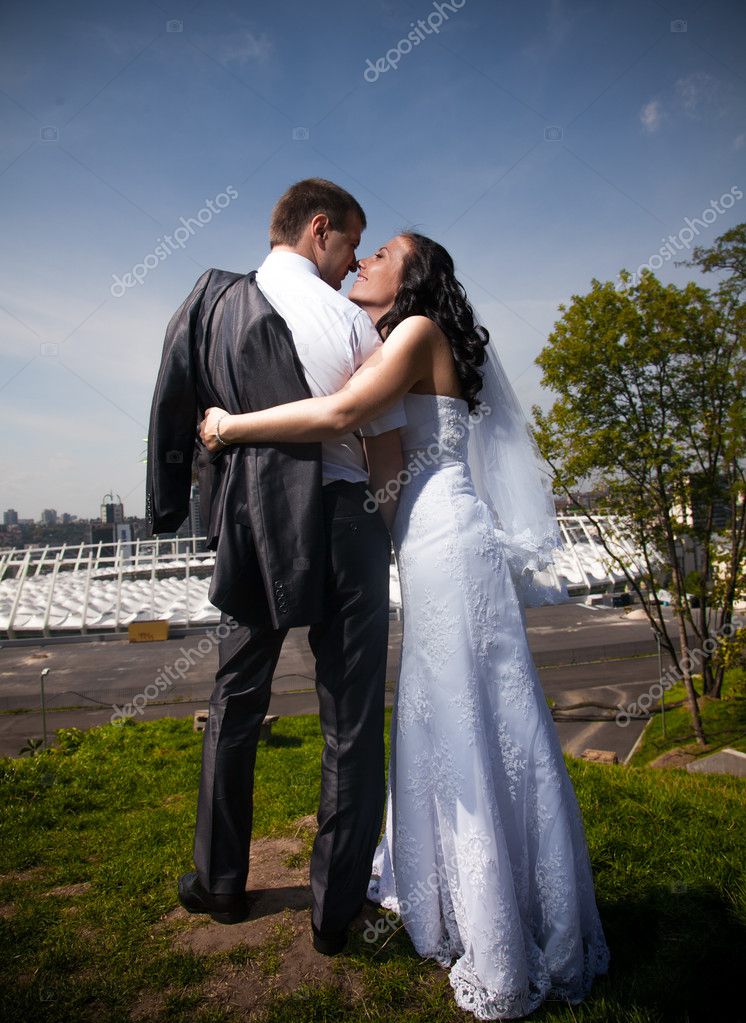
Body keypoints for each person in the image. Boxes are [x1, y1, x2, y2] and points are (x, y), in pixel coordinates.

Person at [199, 231, 611, 1019]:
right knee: (440, 720)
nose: (361, 262)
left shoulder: (419, 333)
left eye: (379, 253)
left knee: (468, 723)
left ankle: (509, 928)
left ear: (414, 277)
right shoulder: (399, 343)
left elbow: (347, 411)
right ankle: (462, 899)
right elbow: (384, 466)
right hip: (423, 554)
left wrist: (229, 426)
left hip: (452, 548)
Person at [147, 179, 405, 956]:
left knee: (235, 698)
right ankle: (334, 913)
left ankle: (219, 880)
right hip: (344, 521)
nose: (356, 260)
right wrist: (393, 540)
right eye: (352, 242)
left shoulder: (214, 304)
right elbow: (383, 455)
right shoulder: (352, 323)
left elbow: (172, 394)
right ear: (319, 228)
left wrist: (171, 503)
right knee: (350, 719)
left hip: (255, 522)